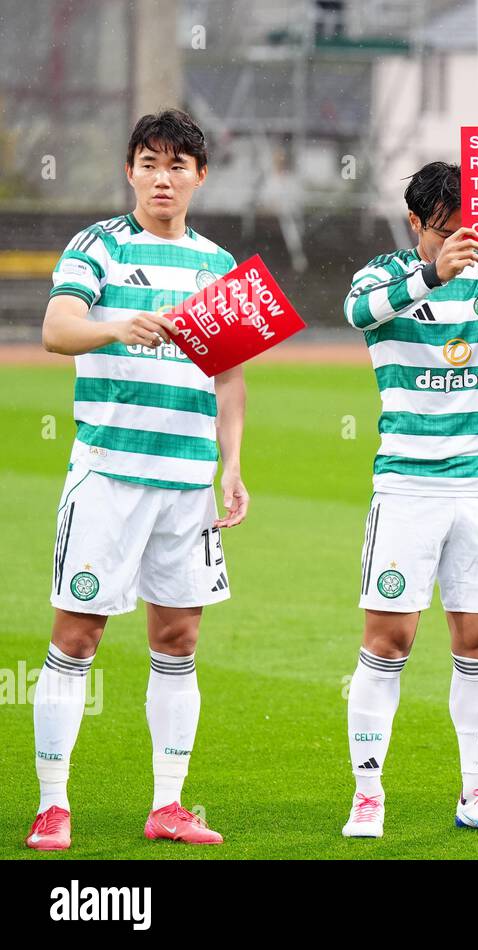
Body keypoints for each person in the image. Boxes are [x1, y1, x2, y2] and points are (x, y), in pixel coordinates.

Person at [29, 108, 248, 850]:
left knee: (179, 638)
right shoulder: (98, 245)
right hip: (109, 476)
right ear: (130, 170)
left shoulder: (218, 266)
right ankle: (53, 804)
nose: (163, 177)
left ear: (199, 176)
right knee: (78, 635)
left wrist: (233, 465)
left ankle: (168, 806)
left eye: (177, 165)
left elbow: (228, 376)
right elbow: (57, 330)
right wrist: (115, 326)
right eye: (150, 163)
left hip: (187, 482)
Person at [340, 161, 478, 837]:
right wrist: (435, 274)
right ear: (417, 224)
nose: (465, 236)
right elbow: (358, 313)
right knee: (390, 637)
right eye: (447, 226)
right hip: (408, 483)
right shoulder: (383, 275)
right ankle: (368, 794)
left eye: (472, 222)